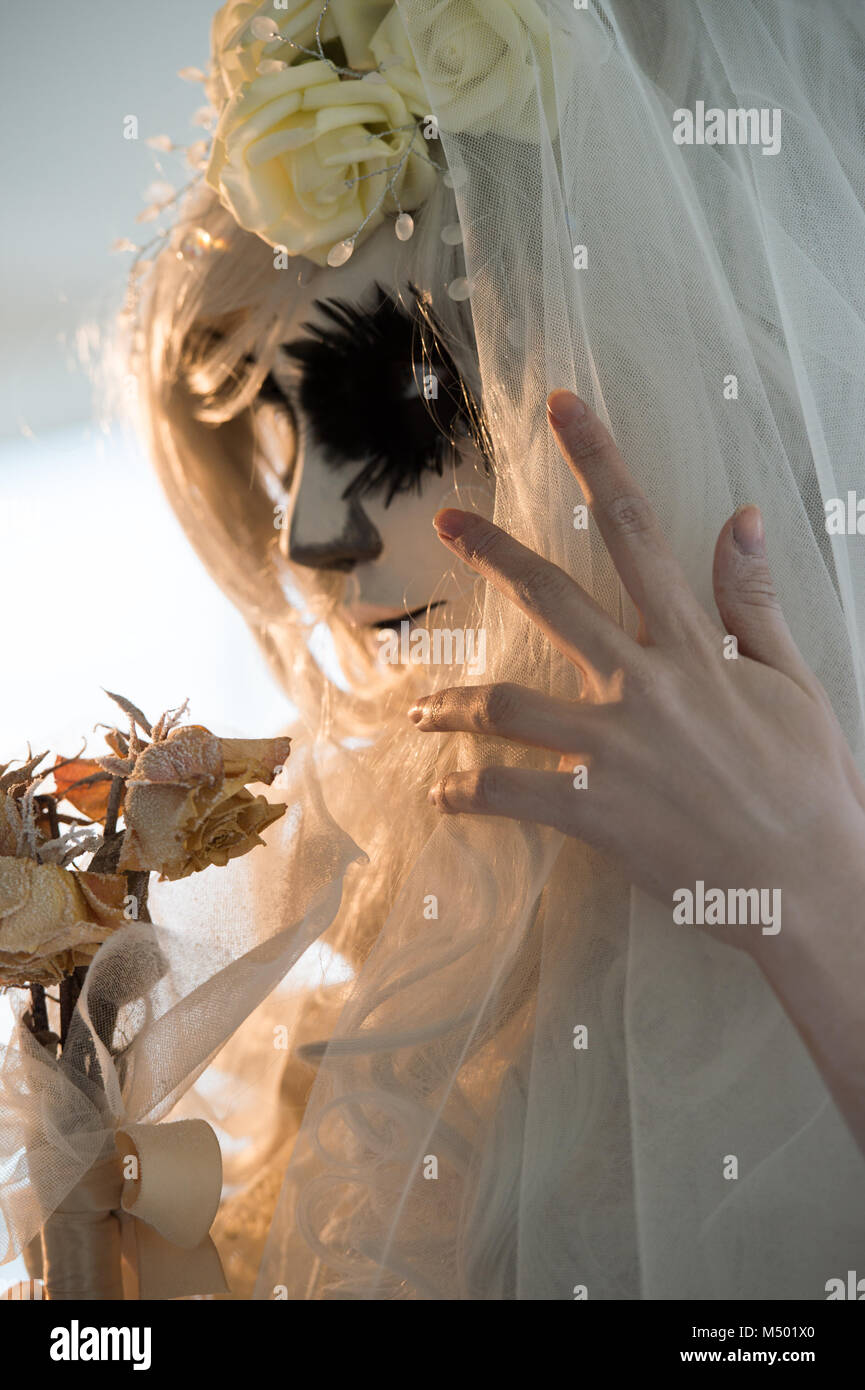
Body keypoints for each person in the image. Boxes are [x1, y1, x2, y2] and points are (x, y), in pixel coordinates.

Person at [125, 0, 865, 1298]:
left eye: (382, 412)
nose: (303, 535)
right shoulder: (408, 900)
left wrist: (809, 885)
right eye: (288, 444)